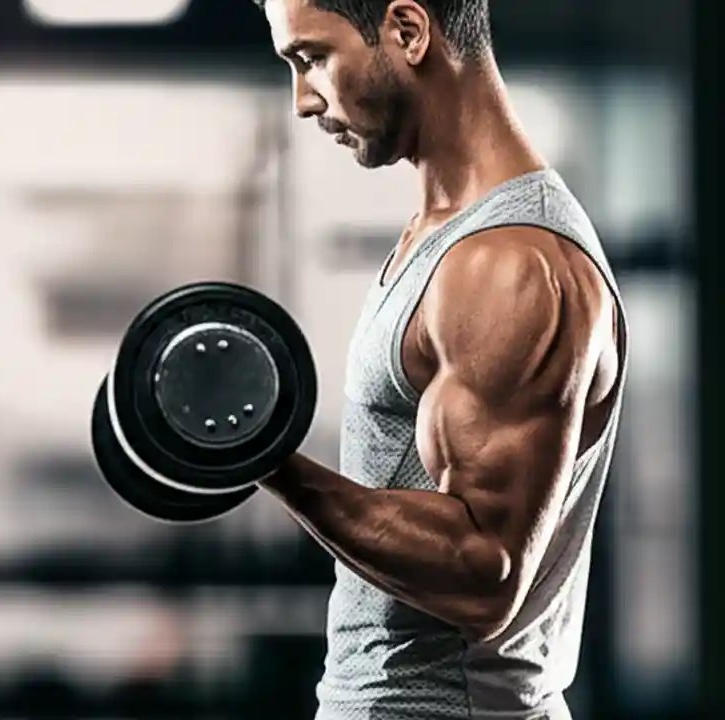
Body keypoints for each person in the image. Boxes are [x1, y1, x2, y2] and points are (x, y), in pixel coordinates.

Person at [249, 1, 626, 718]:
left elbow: (486, 575)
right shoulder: (444, 237)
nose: (302, 100)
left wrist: (269, 460)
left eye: (312, 59)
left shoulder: (508, 265)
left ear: (408, 31)